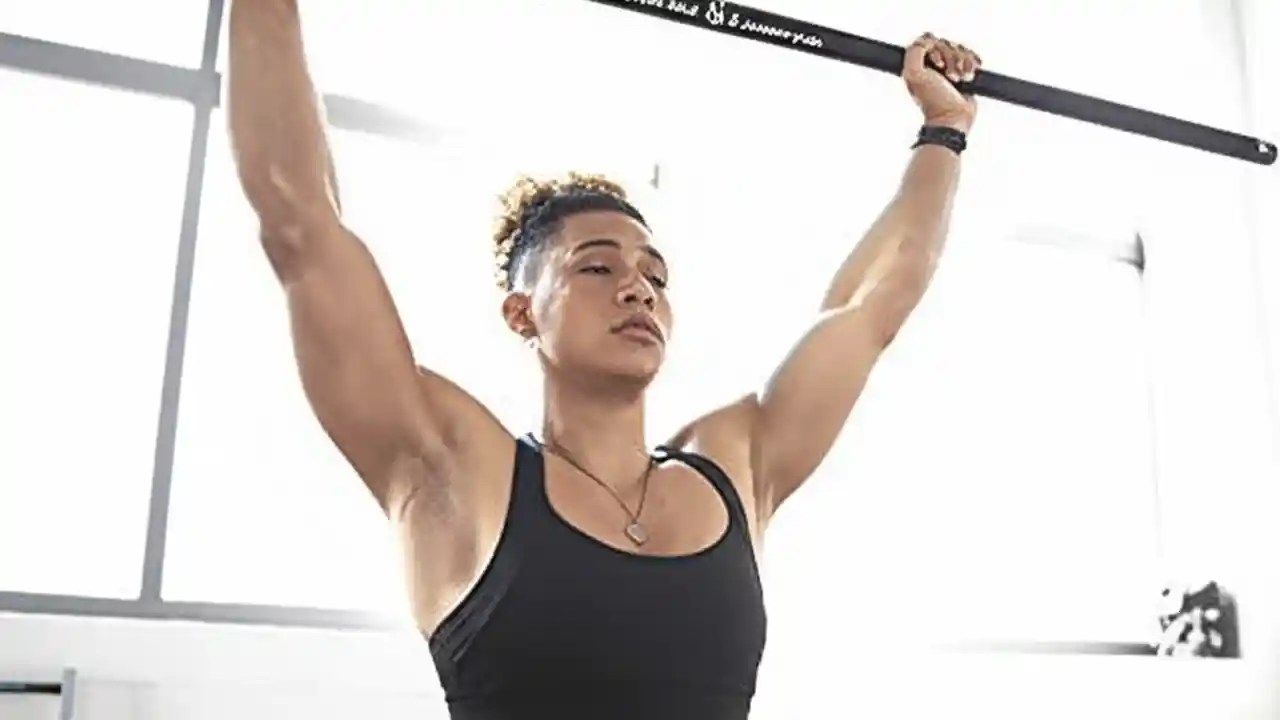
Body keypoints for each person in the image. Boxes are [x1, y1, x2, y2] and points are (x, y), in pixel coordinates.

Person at [227, 2, 981, 718]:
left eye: (656, 276)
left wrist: (944, 129)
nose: (636, 289)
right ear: (523, 313)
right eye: (596, 268)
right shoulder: (456, 470)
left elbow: (871, 306)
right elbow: (300, 222)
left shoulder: (735, 465)